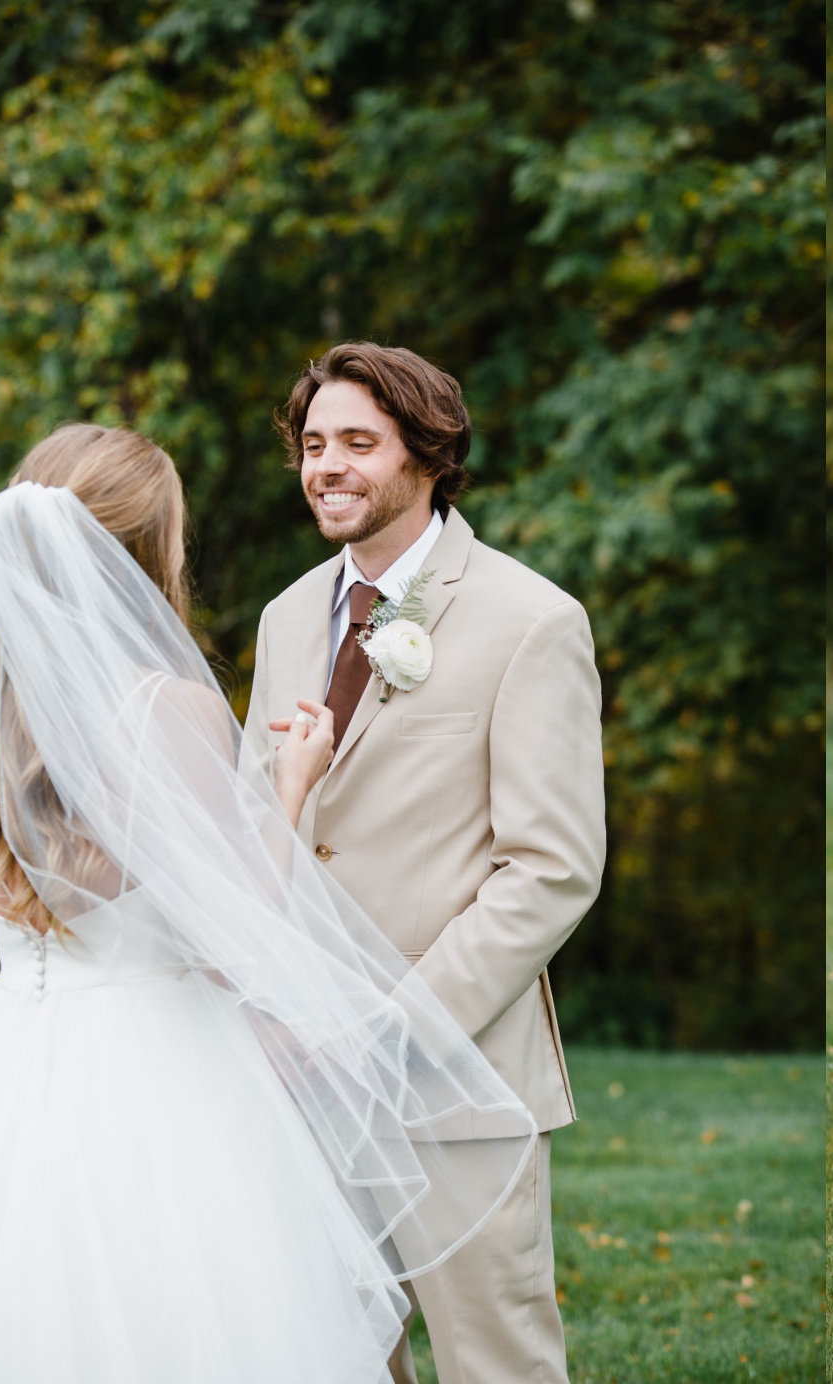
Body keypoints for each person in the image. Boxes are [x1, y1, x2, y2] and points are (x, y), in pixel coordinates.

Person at [0, 423, 537, 1380]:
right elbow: (239, 932)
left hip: (6, 1072)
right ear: (146, 554)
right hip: (162, 1070)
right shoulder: (168, 708)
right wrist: (289, 790)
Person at [242, 343, 605, 1384]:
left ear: (428, 455)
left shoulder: (531, 619)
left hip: (455, 1074)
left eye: (359, 442)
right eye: (314, 444)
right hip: (297, 1072)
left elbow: (551, 868)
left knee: (496, 1363)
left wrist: (392, 1032)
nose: (327, 466)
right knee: (333, 1360)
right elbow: (260, 826)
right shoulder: (284, 616)